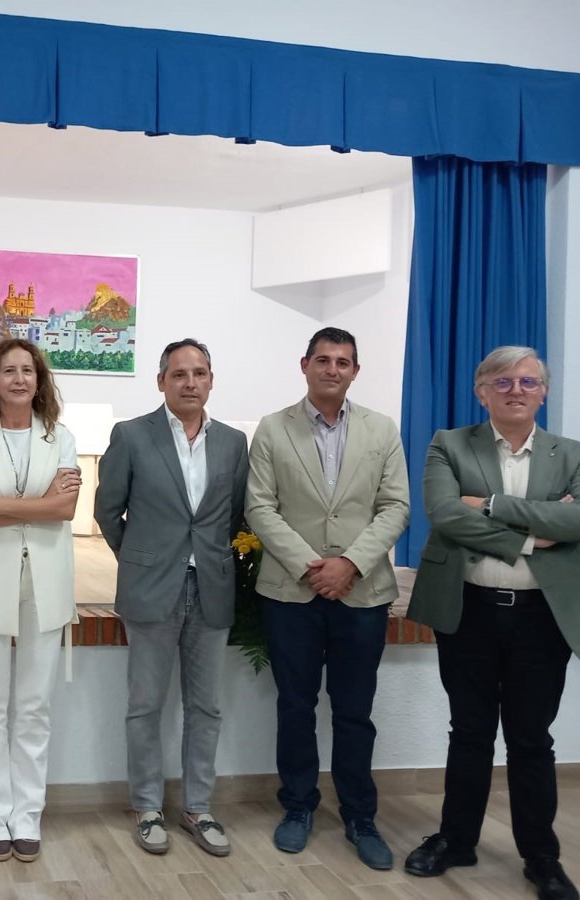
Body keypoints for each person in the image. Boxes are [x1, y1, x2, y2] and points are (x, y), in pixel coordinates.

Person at [403, 347, 580, 900]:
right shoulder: (448, 444)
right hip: (470, 611)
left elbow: (577, 520)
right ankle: (457, 839)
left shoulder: (570, 454)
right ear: (482, 391)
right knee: (470, 733)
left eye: (529, 381)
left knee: (531, 740)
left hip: (541, 619)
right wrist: (532, 536)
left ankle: (542, 858)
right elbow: (445, 513)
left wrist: (494, 505)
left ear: (543, 392)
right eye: (503, 382)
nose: (517, 390)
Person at [245, 326, 409, 870]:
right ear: (305, 365)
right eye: (323, 360)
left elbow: (395, 507)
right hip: (292, 592)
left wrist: (350, 564)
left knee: (355, 712)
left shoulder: (381, 430)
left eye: (343, 362)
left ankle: (361, 816)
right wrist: (312, 566)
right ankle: (297, 807)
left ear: (356, 371)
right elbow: (260, 508)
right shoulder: (273, 429)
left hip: (361, 594)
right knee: (295, 707)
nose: (332, 369)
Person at [94, 339, 248, 858]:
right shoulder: (132, 435)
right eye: (178, 373)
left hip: (211, 587)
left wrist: (202, 555)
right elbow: (107, 510)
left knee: (206, 706)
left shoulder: (231, 443)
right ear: (160, 381)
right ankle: (147, 806)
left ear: (211, 380)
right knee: (145, 706)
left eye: (199, 373)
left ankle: (199, 807)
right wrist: (141, 557)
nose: (189, 382)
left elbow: (234, 514)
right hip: (151, 588)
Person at [0, 338, 81, 863]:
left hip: (46, 583)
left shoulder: (61, 437)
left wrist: (4, 505)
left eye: (28, 370)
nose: (19, 379)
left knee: (33, 707)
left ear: (40, 379)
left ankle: (27, 815)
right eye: (9, 370)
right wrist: (38, 505)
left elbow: (67, 509)